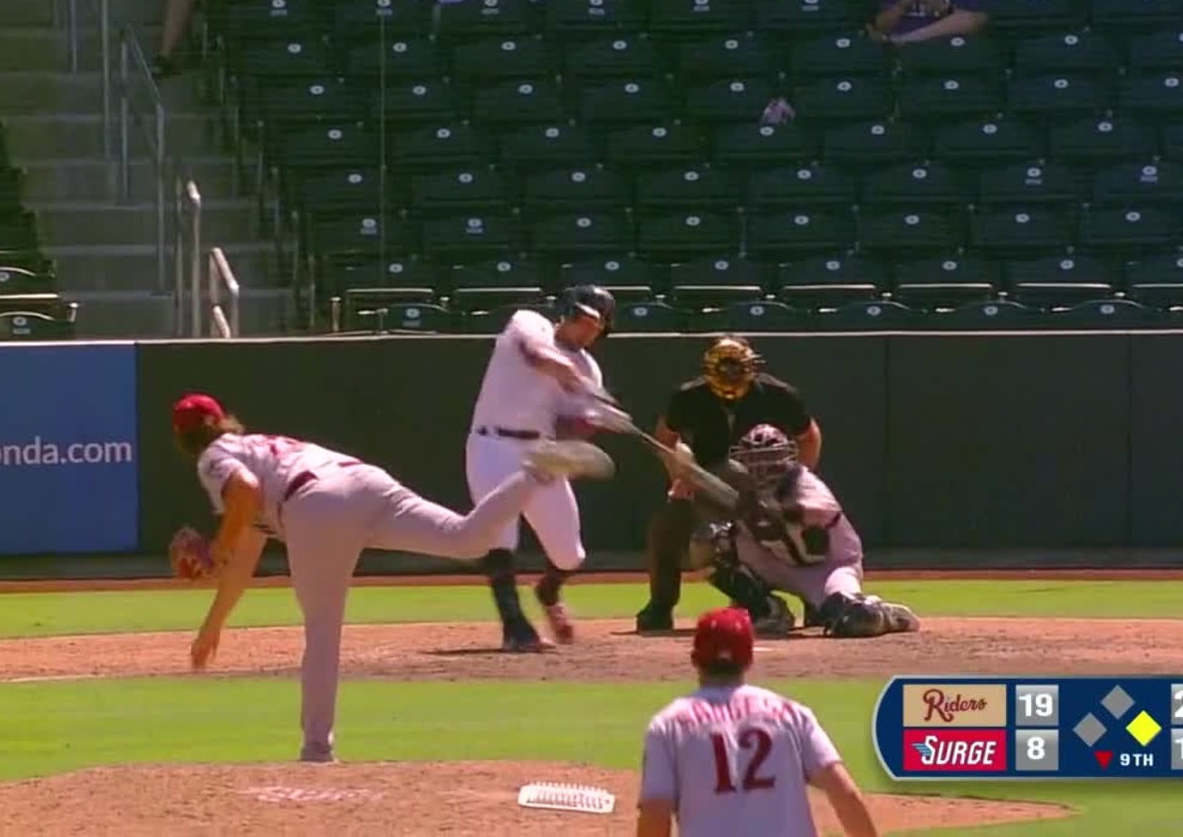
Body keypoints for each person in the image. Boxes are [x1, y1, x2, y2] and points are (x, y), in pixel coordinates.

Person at [173, 392, 615, 763]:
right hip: (364, 481)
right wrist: (213, 625)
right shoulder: (259, 444)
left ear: (183, 438)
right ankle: (535, 473)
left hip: (313, 503)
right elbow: (246, 546)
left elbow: (245, 493)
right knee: (468, 539)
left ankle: (316, 751)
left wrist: (215, 551)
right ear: (223, 418)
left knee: (322, 631)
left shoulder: (214, 456)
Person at [635, 607, 881, 837]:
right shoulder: (791, 715)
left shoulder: (669, 725)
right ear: (749, 659)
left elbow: (656, 813)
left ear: (695, 659)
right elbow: (845, 793)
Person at [634, 337, 822, 633]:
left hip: (771, 486)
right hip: (711, 484)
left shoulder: (778, 394)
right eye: (724, 368)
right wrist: (680, 476)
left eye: (737, 368)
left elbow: (809, 436)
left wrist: (800, 480)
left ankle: (818, 601)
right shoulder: (688, 396)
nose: (730, 376)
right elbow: (665, 438)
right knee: (668, 528)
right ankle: (661, 604)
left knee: (808, 530)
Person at [466, 285, 617, 652]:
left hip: (541, 453)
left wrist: (590, 423)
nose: (588, 332)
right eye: (583, 321)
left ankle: (548, 591)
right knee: (500, 536)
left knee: (569, 554)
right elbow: (536, 356)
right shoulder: (529, 323)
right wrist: (575, 380)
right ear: (565, 313)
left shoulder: (589, 368)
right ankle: (515, 627)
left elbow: (573, 426)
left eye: (596, 327)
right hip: (491, 444)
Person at [702, 424, 921, 639]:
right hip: (772, 561)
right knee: (708, 544)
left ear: (785, 460)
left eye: (769, 460)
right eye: (754, 461)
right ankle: (766, 610)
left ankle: (884, 614)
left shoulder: (806, 486)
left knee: (857, 619)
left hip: (826, 567)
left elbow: (798, 517)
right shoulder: (743, 488)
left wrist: (758, 507)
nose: (761, 469)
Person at [868, 0, 988, 46]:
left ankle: (902, 40)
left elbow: (976, 22)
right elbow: (881, 26)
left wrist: (944, 8)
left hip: (946, 46)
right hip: (902, 53)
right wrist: (901, 6)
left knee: (968, 19)